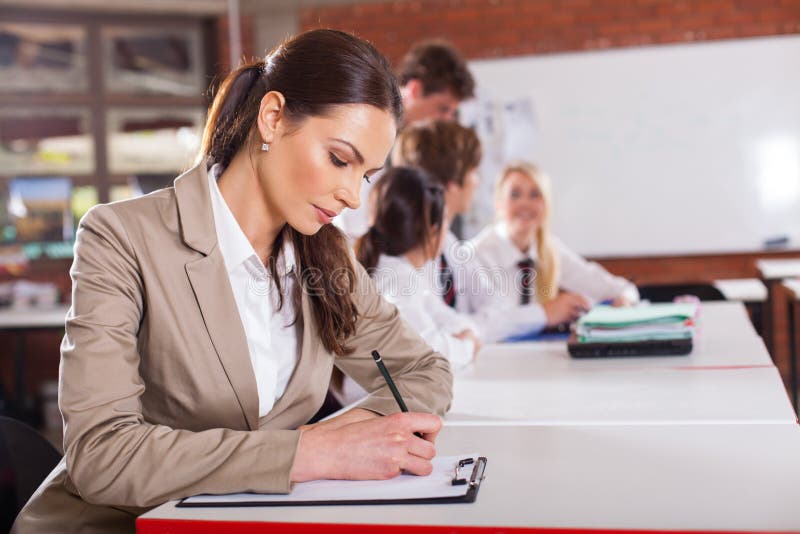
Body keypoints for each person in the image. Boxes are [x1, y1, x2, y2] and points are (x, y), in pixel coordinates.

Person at [12, 29, 452, 534]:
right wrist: (307, 452)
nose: (353, 195)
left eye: (367, 175)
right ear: (272, 117)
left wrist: (353, 435)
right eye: (338, 159)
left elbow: (425, 369)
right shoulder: (122, 237)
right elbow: (101, 456)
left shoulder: (325, 259)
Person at [393, 120, 558, 341]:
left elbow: (496, 310)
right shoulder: (407, 253)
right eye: (473, 174)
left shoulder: (449, 244)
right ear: (451, 184)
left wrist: (470, 329)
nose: (477, 183)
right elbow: (436, 334)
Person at [335, 39, 476, 241]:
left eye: (453, 112)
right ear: (415, 89)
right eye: (443, 109)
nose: (448, 120)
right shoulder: (366, 124)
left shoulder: (428, 146)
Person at [471, 161, 638, 325]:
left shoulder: (549, 249)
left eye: (535, 195)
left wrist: (625, 299)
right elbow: (488, 323)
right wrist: (545, 313)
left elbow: (618, 288)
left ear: (546, 204)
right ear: (498, 204)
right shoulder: (477, 255)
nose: (525, 203)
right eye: (515, 194)